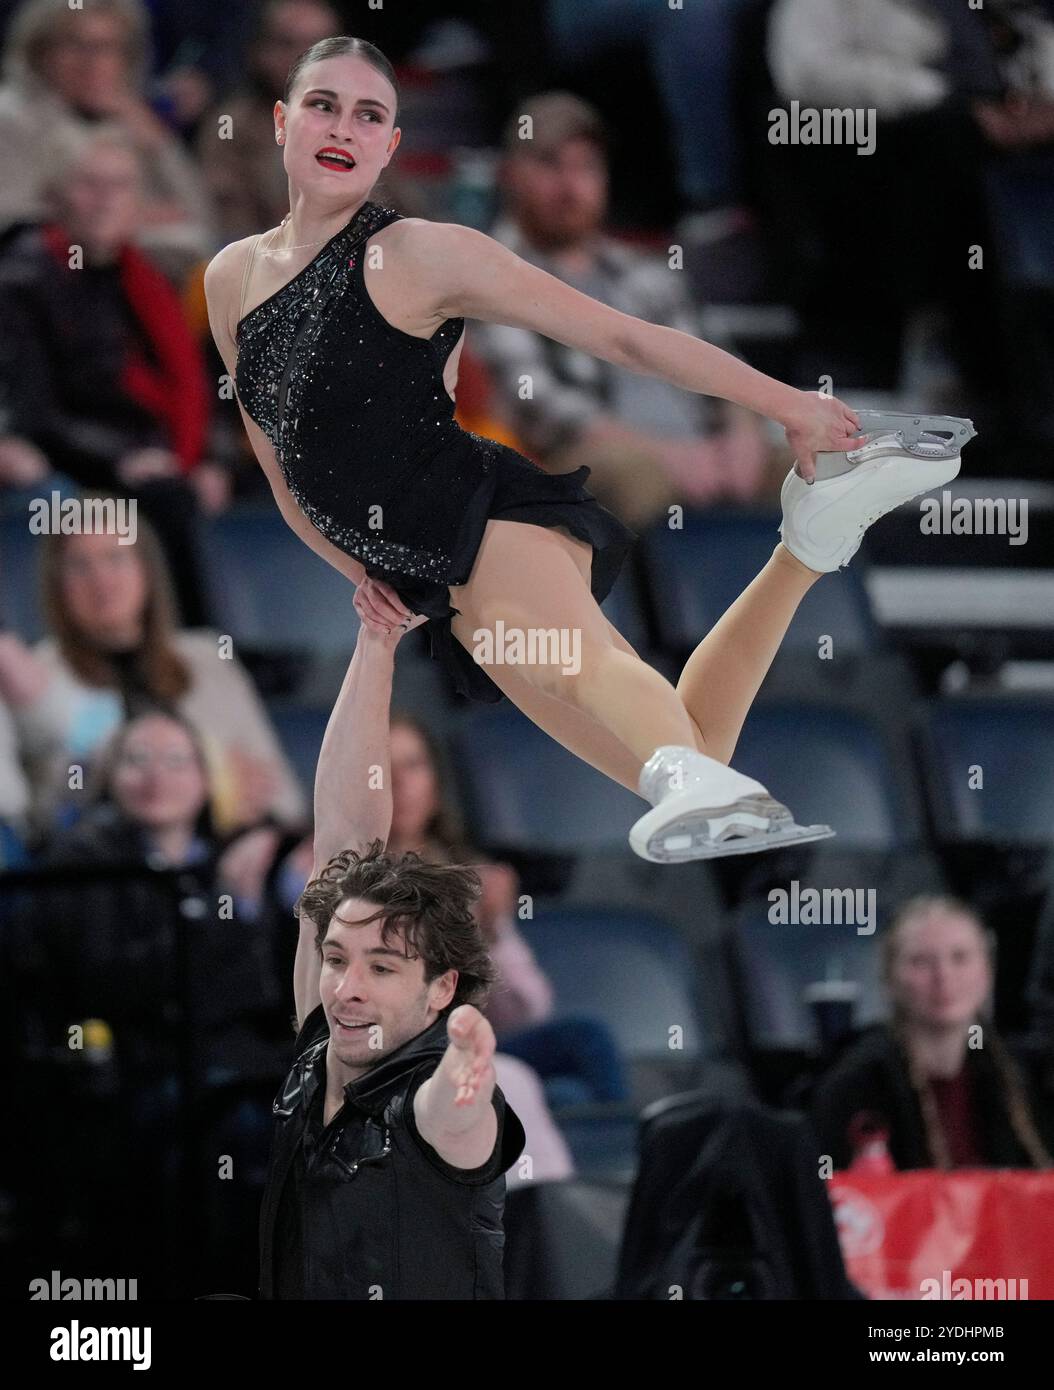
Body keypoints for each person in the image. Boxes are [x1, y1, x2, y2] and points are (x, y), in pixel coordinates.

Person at [203, 34, 970, 865]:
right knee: (686, 746)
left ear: (391, 145)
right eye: (322, 105)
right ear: (281, 122)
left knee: (579, 664)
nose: (341, 128)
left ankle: (698, 783)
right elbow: (282, 467)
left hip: (482, 516)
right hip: (430, 576)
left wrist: (789, 407)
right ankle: (806, 548)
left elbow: (623, 337)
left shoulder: (421, 252)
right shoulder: (228, 279)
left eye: (369, 114)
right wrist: (364, 574)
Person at [259, 605, 526, 1300]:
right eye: (338, 958)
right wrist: (376, 639)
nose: (346, 986)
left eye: (382, 968)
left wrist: (466, 1081)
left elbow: (450, 1119)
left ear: (441, 990)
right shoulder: (323, 1045)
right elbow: (343, 833)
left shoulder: (430, 1090)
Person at [469, 90, 771, 528]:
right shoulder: (493, 276)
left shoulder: (647, 274)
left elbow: (721, 365)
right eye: (551, 164)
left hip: (698, 448)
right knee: (636, 477)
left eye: (586, 167)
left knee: (805, 471)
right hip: (585, 454)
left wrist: (742, 434)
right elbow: (539, 406)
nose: (571, 186)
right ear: (511, 174)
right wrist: (668, 454)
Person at [0, 517, 306, 842]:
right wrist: (211, 779)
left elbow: (280, 795)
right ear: (56, 584)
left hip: (225, 855)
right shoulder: (34, 675)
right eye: (79, 565)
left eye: (115, 558)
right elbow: (39, 812)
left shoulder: (208, 658)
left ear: (147, 569)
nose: (101, 579)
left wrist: (258, 831)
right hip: (94, 866)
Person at [810, 895, 1054, 1170]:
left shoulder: (1023, 1076)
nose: (943, 976)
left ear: (986, 972)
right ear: (889, 978)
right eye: (921, 961)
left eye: (960, 957)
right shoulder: (854, 1084)